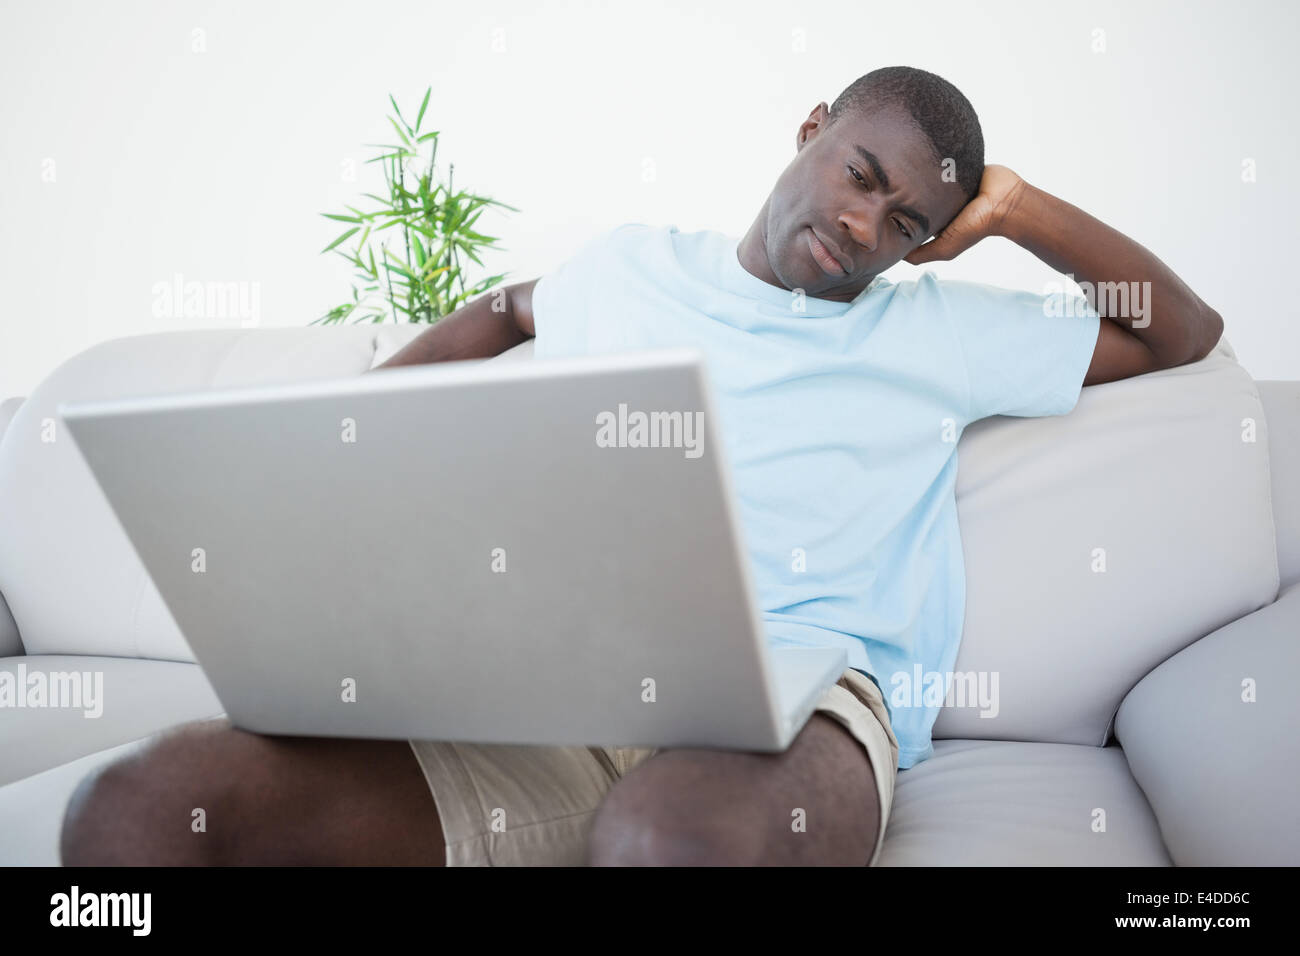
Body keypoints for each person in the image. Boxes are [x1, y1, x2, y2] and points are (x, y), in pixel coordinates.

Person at [60, 65, 1222, 867]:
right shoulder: (625, 267)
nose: (871, 226)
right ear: (811, 126)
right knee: (139, 808)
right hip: (566, 681)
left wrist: (1012, 207)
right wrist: (355, 429)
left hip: (798, 697)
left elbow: (1182, 330)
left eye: (911, 221)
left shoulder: (942, 328)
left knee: (665, 842)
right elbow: (507, 306)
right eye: (863, 174)